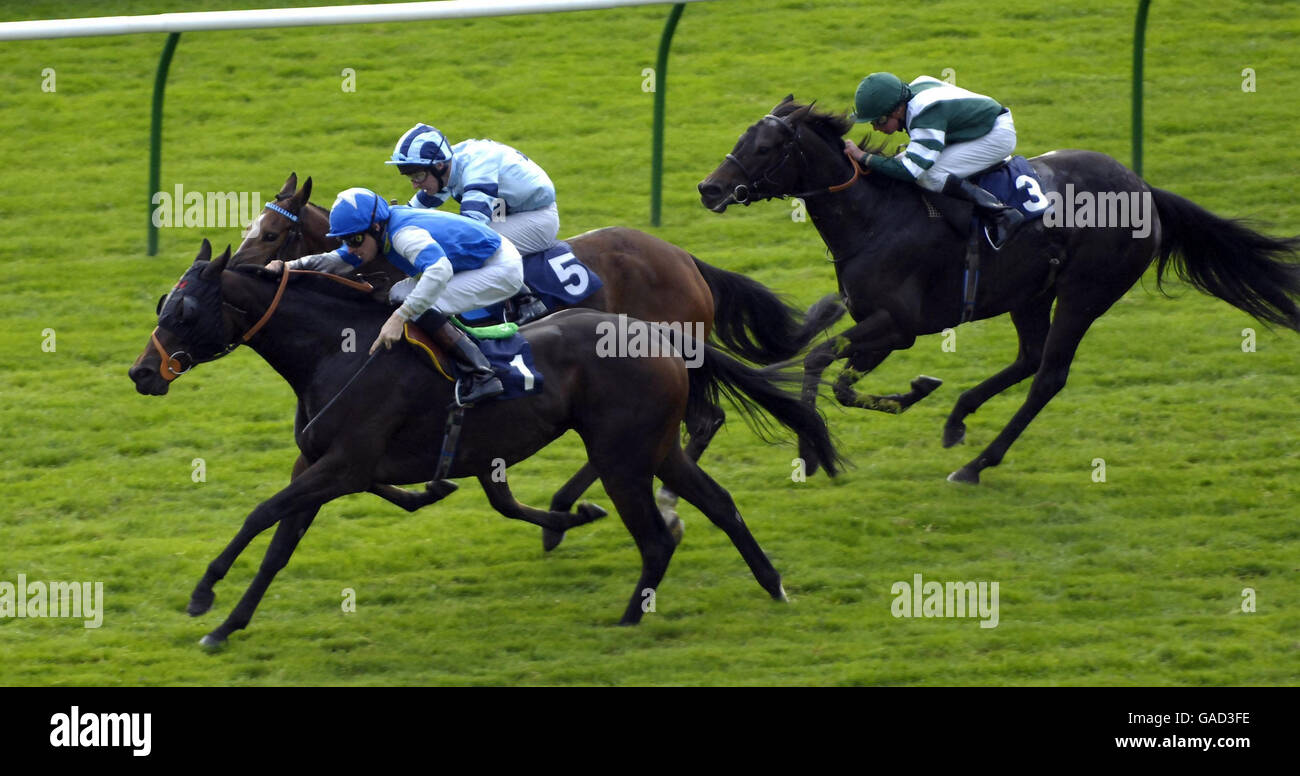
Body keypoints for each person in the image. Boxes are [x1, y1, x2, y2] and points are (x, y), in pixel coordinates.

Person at [267, 187, 523, 405]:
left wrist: (398, 318)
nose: (352, 248)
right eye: (345, 240)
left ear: (376, 227)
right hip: (482, 260)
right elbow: (334, 261)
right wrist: (288, 266)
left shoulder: (403, 235)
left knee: (419, 302)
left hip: (500, 268)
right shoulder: (377, 232)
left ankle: (481, 375)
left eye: (355, 239)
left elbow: (438, 270)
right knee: (401, 293)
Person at [388, 123, 559, 321]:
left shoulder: (477, 168)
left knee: (479, 244)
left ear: (439, 166)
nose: (415, 184)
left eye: (418, 176)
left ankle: (527, 301)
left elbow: (471, 230)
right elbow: (412, 211)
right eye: (410, 177)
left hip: (538, 217)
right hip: (505, 209)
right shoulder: (448, 166)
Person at [845, 72, 1026, 248]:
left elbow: (911, 170)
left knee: (927, 175)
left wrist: (863, 156)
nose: (876, 128)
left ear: (898, 109)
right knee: (903, 160)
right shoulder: (913, 92)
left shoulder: (924, 112)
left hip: (995, 136)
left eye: (880, 121)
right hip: (977, 129)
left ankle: (1002, 214)